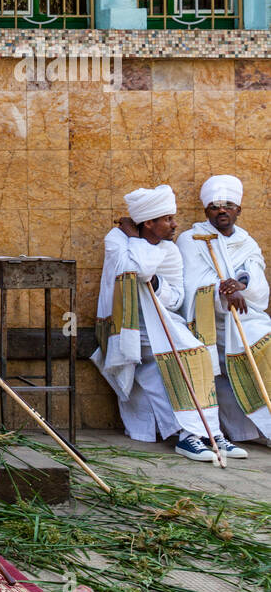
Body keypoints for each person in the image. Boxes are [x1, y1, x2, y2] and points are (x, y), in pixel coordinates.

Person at [91, 185, 229, 462]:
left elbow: (176, 297)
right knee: (173, 358)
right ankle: (188, 433)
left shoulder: (169, 249)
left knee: (196, 354)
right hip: (123, 327)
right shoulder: (117, 239)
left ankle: (205, 431)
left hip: (162, 323)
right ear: (149, 223)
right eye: (167, 219)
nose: (174, 225)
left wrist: (157, 283)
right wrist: (135, 239)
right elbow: (135, 271)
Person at [178, 175, 267, 449]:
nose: (221, 210)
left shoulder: (247, 242)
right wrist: (220, 289)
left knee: (265, 344)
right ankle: (236, 433)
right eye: (215, 206)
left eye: (228, 205)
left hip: (244, 317)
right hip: (207, 320)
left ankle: (264, 428)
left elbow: (258, 282)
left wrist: (241, 284)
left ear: (238, 210)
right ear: (207, 211)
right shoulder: (190, 239)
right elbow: (189, 284)